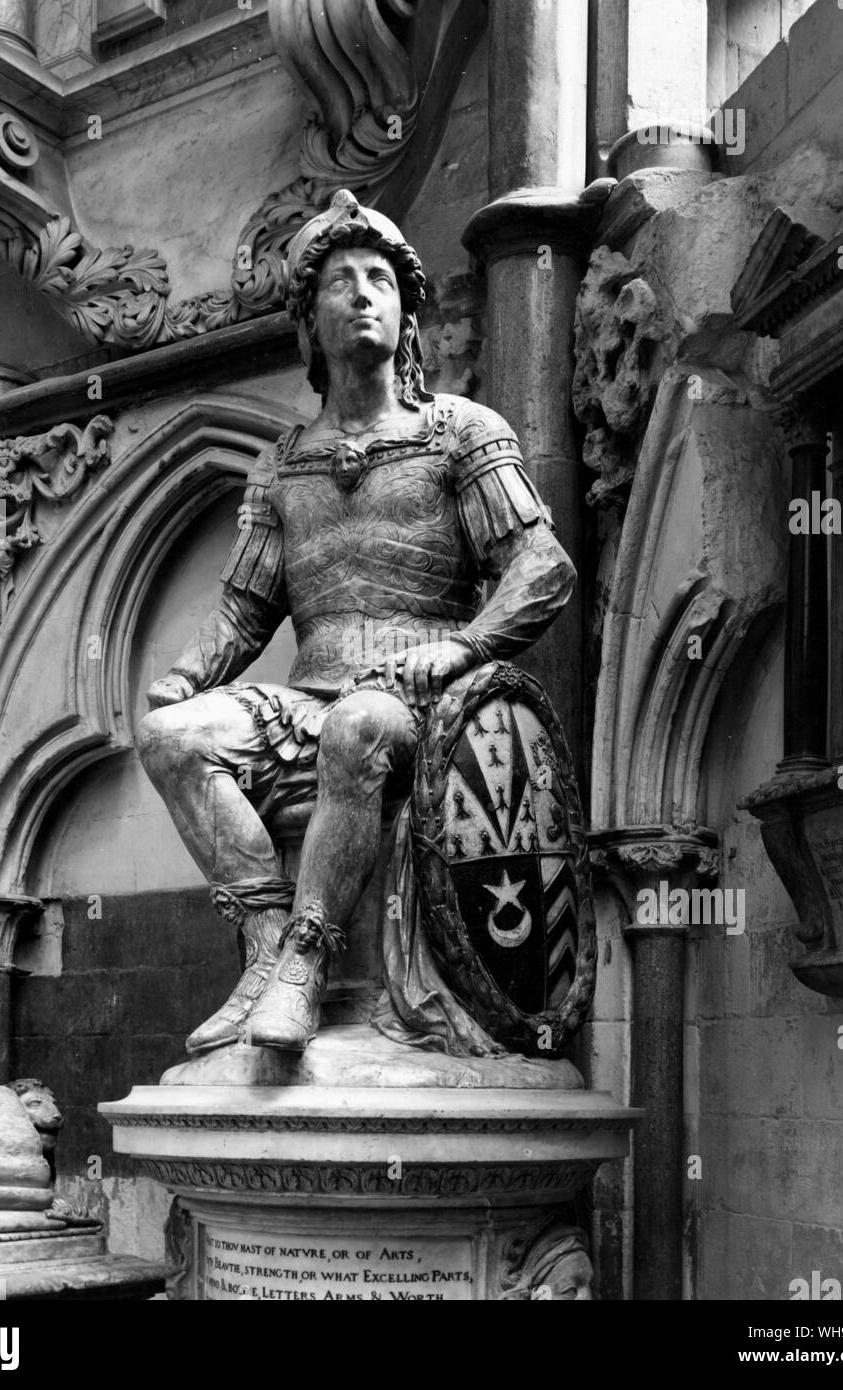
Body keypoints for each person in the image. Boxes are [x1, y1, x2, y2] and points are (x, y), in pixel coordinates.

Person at [136, 189, 574, 1054]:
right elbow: (241, 609)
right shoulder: (281, 466)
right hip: (305, 698)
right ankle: (263, 947)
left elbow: (542, 567)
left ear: (408, 314)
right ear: (309, 321)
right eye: (341, 281)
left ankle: (306, 963)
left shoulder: (459, 433)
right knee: (170, 737)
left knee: (358, 727)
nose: (364, 293)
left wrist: (461, 645)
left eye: (381, 279)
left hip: (423, 699)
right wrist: (183, 678)